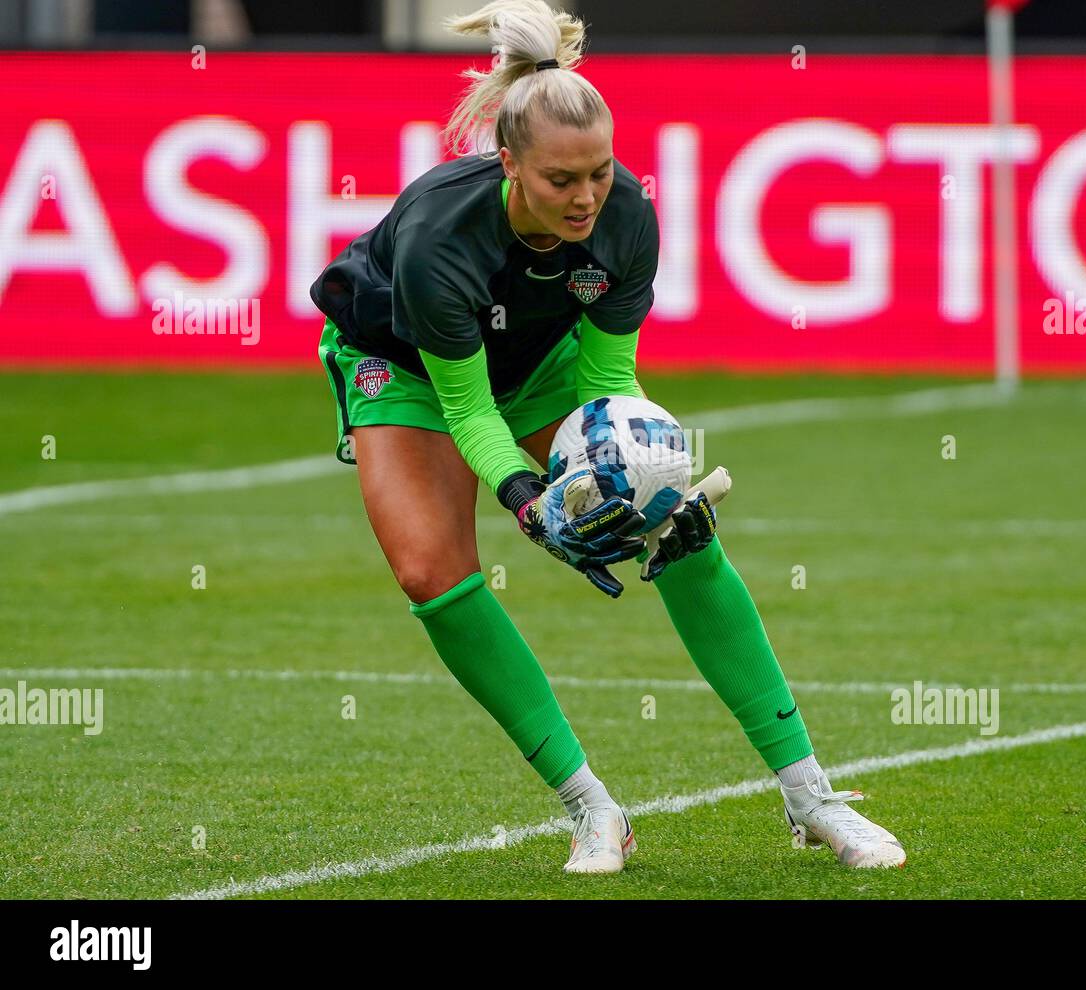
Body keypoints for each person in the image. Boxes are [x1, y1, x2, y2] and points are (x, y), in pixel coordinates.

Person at [311, 0, 905, 873]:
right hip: (404, 367)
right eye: (560, 181)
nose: (586, 196)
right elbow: (470, 409)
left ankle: (812, 796)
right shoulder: (443, 235)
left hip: (543, 363)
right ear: (508, 164)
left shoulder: (626, 218)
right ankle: (591, 807)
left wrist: (633, 470)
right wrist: (527, 499)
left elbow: (606, 386)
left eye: (599, 171)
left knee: (679, 522)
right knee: (430, 572)